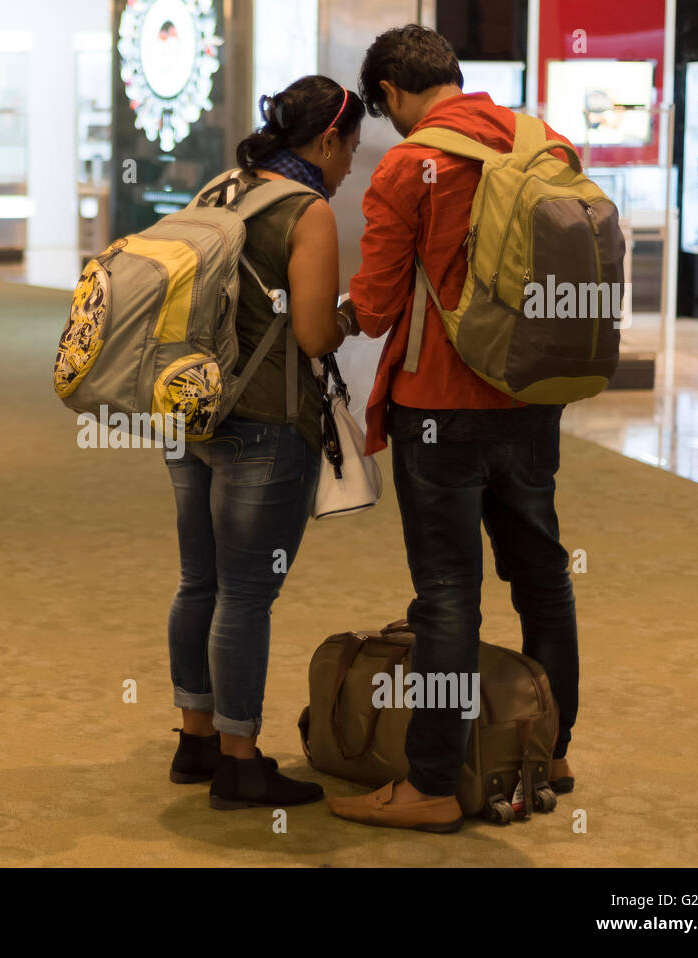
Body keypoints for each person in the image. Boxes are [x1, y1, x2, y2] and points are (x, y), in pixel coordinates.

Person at [329, 25, 579, 832]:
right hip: (536, 394)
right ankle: (550, 745)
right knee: (542, 573)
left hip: (441, 405)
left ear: (393, 94)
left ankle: (432, 780)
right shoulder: (547, 145)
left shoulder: (408, 166)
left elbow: (372, 304)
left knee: (446, 595)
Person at [165, 75, 363, 811]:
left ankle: (196, 741)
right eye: (349, 151)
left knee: (200, 582)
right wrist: (354, 316)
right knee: (247, 595)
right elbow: (313, 334)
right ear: (325, 141)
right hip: (266, 420)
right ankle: (241, 763)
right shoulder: (306, 211)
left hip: (193, 411)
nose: (349, 168)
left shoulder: (220, 188)